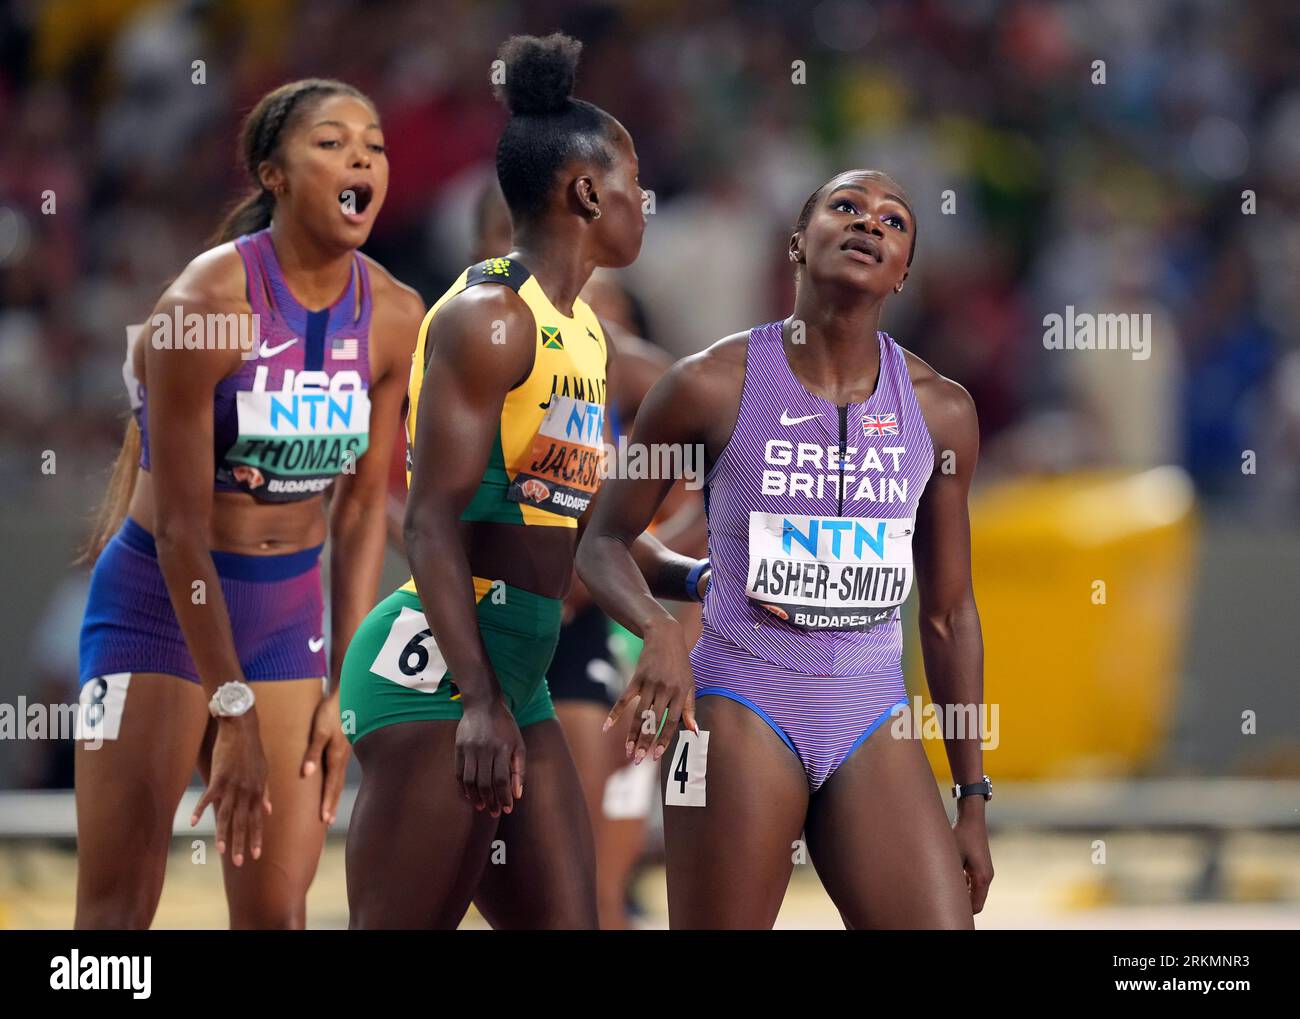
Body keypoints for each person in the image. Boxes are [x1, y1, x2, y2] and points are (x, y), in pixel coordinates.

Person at [577, 169, 995, 928]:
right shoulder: (706, 386)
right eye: (846, 207)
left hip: (870, 708)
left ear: (903, 274)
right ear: (798, 244)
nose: (869, 223)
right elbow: (600, 540)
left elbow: (948, 613)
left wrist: (972, 795)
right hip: (740, 700)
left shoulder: (941, 413)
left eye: (894, 221)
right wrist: (664, 621)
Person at [340, 33, 691, 930]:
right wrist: (481, 701)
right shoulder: (490, 319)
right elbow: (429, 525)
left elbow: (577, 526)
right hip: (445, 679)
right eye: (633, 182)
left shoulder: (582, 334)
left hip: (516, 679)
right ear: (584, 192)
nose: (643, 203)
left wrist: (693, 581)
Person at [75, 78, 424, 929]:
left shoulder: (396, 317)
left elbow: (357, 514)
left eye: (372, 145)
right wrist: (227, 704)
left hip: (285, 614)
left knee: (278, 910)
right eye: (332, 143)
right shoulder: (203, 308)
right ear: (272, 174)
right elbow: (184, 534)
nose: (360, 160)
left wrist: (346, 680)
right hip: (161, 603)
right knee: (117, 905)